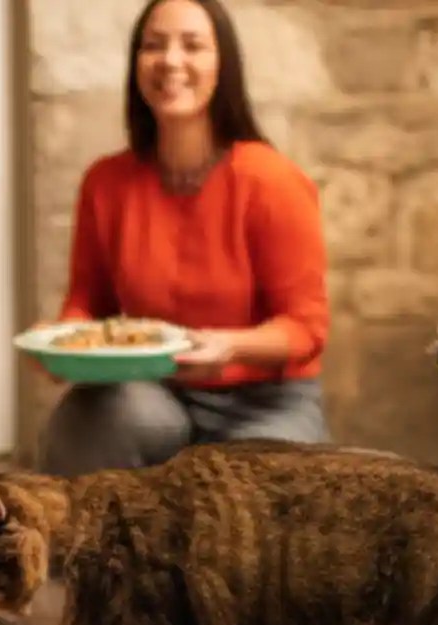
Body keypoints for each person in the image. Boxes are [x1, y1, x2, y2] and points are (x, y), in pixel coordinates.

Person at [34, 0, 332, 478]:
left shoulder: (272, 181)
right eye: (154, 46)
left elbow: (305, 328)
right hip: (155, 391)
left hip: (265, 402)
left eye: (192, 46)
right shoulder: (106, 183)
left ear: (223, 66)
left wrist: (229, 346)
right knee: (84, 421)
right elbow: (89, 303)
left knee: (248, 485)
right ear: (137, 64)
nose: (170, 61)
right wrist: (65, 346)